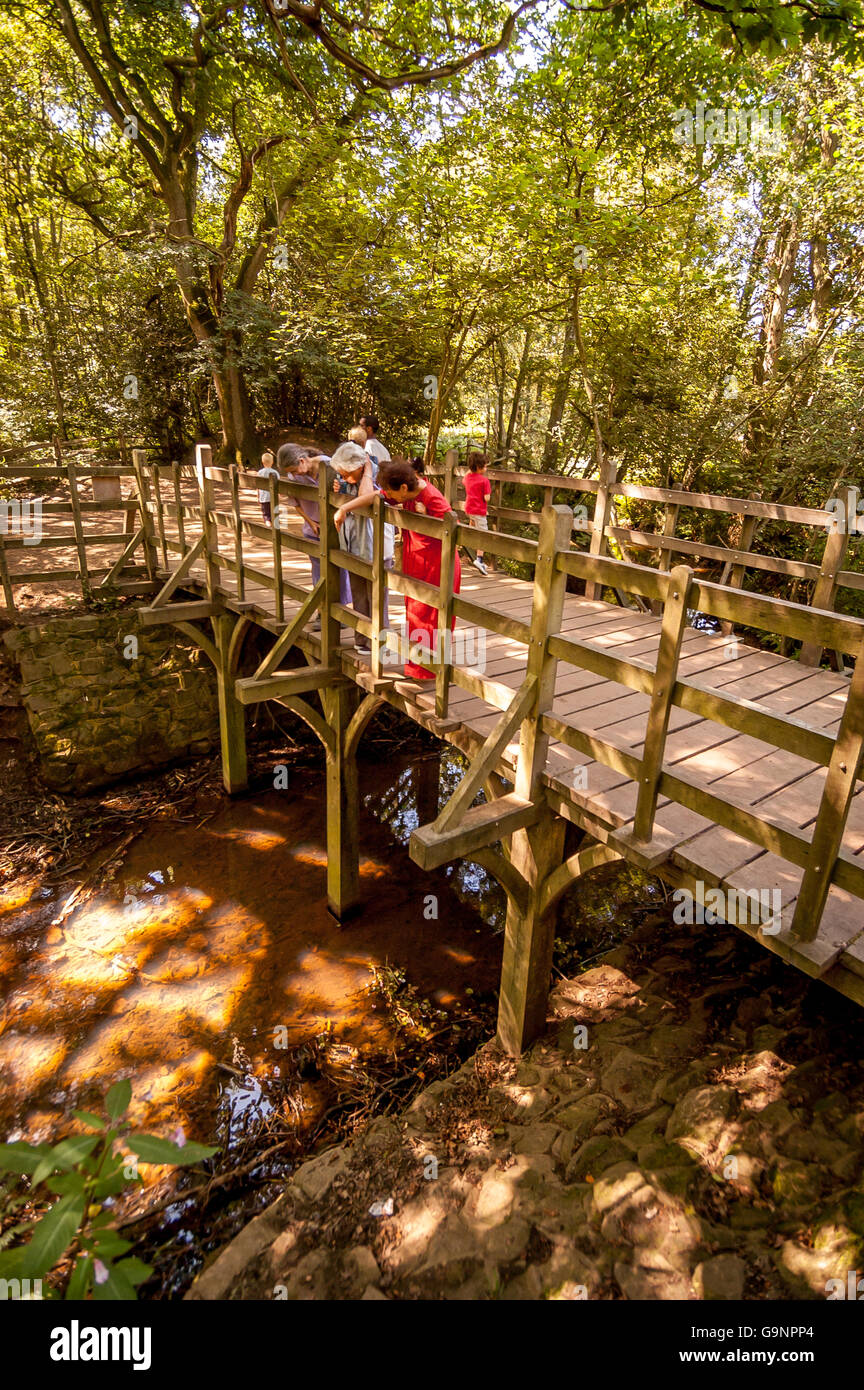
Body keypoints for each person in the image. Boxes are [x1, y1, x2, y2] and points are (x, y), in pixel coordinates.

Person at [368, 458, 461, 680]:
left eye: (393, 493)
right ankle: (417, 666)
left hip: (437, 562)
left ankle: (429, 669)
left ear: (403, 487)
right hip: (417, 559)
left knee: (430, 613)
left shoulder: (431, 497)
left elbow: (452, 530)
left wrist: (424, 518)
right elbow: (376, 496)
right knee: (415, 611)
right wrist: (344, 507)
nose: (391, 497)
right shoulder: (407, 491)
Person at [276, 442, 352, 617]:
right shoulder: (294, 476)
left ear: (303, 461)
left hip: (336, 527)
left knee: (340, 569)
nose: (293, 475)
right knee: (318, 569)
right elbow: (295, 501)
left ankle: (341, 611)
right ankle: (322, 610)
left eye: (294, 471)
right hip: (313, 528)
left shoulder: (330, 465)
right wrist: (310, 522)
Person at [330, 441, 376, 652]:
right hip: (354, 543)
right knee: (358, 593)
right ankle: (361, 639)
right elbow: (348, 490)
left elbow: (366, 497)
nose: (345, 477)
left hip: (373, 544)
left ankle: (376, 642)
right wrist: (341, 486)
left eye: (347, 473)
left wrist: (367, 470)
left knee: (374, 596)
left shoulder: (374, 472)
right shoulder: (351, 477)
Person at [462, 450, 492, 575]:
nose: (486, 468)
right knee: (483, 535)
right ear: (479, 467)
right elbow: (486, 498)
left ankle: (467, 547)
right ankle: (479, 559)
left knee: (473, 528)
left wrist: (471, 468)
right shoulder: (484, 481)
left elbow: (464, 478)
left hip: (469, 509)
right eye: (485, 466)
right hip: (479, 511)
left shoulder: (467, 478)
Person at [257, 450, 279, 524]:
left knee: (266, 515)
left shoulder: (260, 472)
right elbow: (279, 485)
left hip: (263, 497)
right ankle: (274, 525)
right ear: (272, 462)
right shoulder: (275, 472)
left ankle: (268, 524)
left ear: (262, 462)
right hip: (273, 497)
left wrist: (258, 496)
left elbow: (258, 486)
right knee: (274, 512)